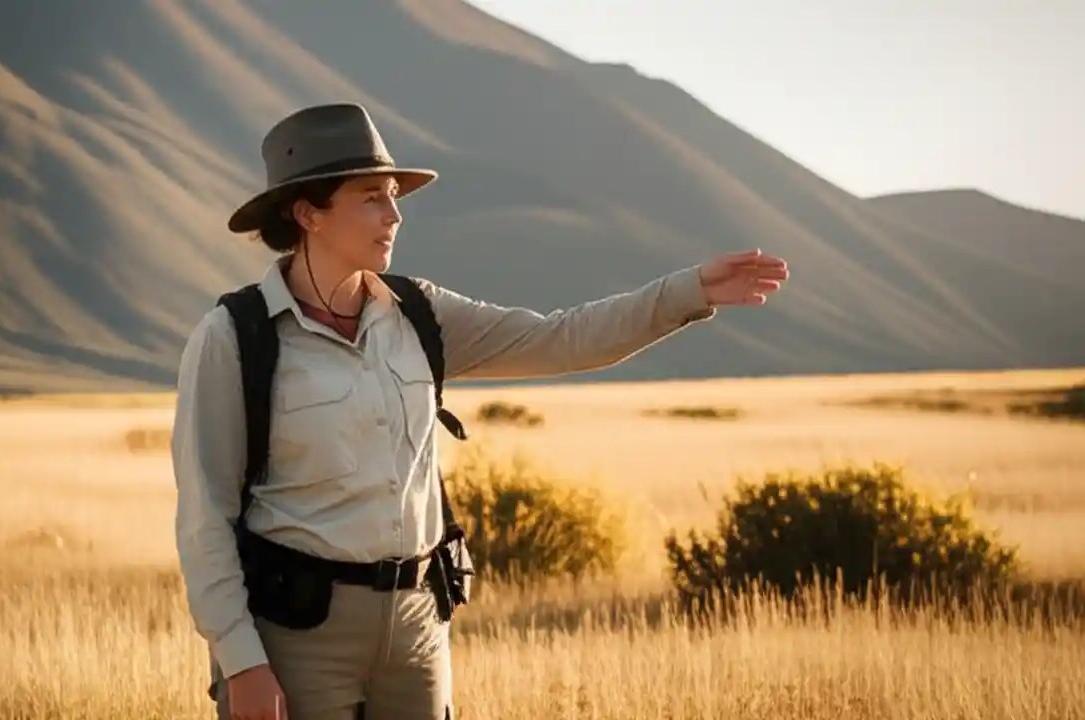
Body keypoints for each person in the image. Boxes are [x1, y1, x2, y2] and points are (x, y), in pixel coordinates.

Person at [171, 102, 789, 720]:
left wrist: (690, 291)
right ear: (308, 213)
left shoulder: (420, 314)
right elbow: (206, 519)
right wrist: (242, 661)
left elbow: (562, 337)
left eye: (395, 195)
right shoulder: (235, 338)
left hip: (417, 629)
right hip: (297, 636)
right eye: (371, 197)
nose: (394, 215)